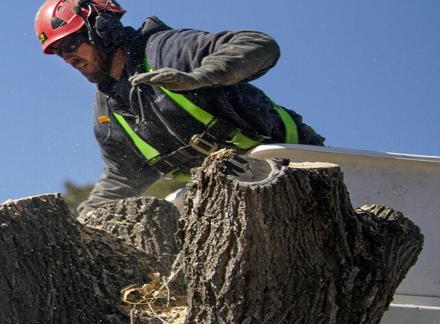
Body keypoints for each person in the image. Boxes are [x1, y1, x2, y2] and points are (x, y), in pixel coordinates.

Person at [35, 1, 326, 215]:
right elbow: (122, 178)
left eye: (71, 43)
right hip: (228, 199)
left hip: (298, 164)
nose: (67, 57)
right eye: (59, 52)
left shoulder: (167, 50)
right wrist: (83, 222)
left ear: (103, 28)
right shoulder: (109, 113)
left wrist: (200, 77)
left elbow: (259, 45)